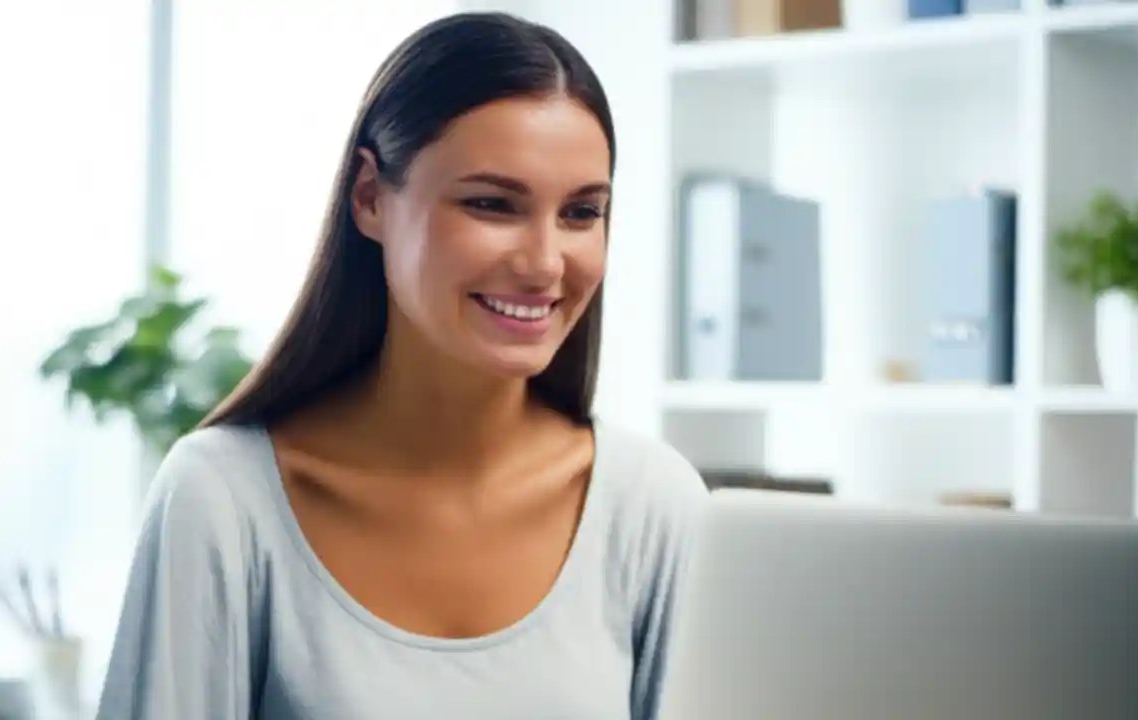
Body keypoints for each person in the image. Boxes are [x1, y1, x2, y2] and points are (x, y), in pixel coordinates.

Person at [96, 11, 707, 719]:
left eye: (580, 213)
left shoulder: (653, 508)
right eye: (491, 204)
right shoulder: (223, 500)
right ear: (369, 198)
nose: (545, 263)